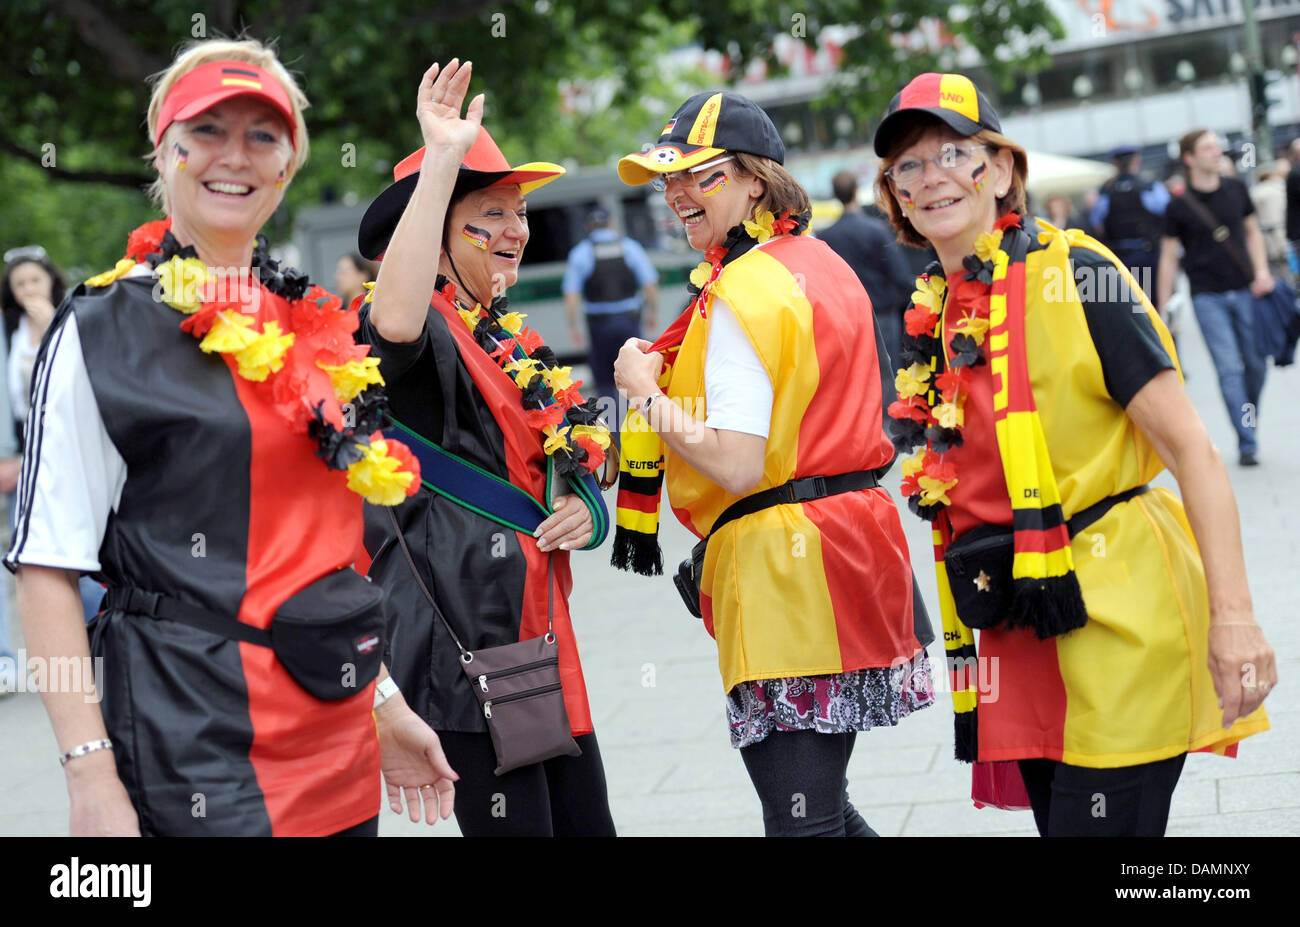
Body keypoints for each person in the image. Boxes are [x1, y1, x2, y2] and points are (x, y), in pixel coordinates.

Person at [5, 37, 459, 836]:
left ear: (288, 164)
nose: (234, 157)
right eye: (207, 130)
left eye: (262, 135)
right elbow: (46, 568)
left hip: (339, 734)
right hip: (196, 748)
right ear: (164, 146)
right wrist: (89, 775)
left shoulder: (308, 322)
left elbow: (317, 549)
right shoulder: (101, 329)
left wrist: (385, 702)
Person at [873, 72, 1275, 837]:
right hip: (1016, 621)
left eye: (955, 154)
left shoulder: (1080, 271)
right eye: (909, 166)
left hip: (1122, 609)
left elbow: (1194, 450)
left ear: (1002, 169)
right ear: (893, 194)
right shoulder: (934, 310)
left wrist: (1235, 621)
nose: (933, 178)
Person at [612, 90, 933, 837]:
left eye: (700, 175)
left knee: (804, 822)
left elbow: (734, 461)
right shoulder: (816, 262)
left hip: (787, 569)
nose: (677, 194)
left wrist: (642, 393)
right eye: (668, 179)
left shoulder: (740, 290)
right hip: (847, 544)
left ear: (756, 180)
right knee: (824, 812)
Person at [354, 59, 617, 837]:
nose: (516, 231)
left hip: (536, 635)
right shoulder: (420, 329)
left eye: (520, 211)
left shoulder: (499, 332)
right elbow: (391, 321)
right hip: (462, 647)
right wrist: (441, 160)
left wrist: (580, 503)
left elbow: (550, 447)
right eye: (492, 213)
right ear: (434, 235)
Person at [1158, 129, 1273, 467]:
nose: (1216, 152)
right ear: (1190, 158)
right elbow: (1168, 256)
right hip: (1207, 296)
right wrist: (1163, 304)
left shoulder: (1237, 190)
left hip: (1245, 288)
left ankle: (1247, 417)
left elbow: (1252, 232)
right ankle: (1247, 438)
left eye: (1216, 146)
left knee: (1255, 364)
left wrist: (1262, 271)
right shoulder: (1177, 206)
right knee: (1228, 370)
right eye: (1207, 147)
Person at [1, 251, 105, 625]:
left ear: (50, 281)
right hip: (26, 457)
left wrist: (51, 327)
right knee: (31, 553)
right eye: (19, 284)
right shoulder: (8, 330)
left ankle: (99, 627)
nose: (28, 289)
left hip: (68, 452)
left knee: (78, 550)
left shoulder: (71, 316)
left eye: (34, 280)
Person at [562, 206, 658, 419]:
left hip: (599, 326)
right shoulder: (630, 248)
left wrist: (573, 327)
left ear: (589, 227)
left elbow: (571, 295)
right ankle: (639, 427)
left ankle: (612, 433)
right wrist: (653, 314)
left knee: (605, 382)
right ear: (611, 224)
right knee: (636, 378)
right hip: (629, 323)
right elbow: (650, 284)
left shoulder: (580, 253)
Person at [818, 170, 914, 366]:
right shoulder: (876, 229)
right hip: (883, 314)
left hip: (848, 319)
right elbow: (899, 274)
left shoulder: (827, 236)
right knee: (890, 372)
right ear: (855, 191)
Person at [1091, 145, 1169, 299]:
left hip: (1120, 256)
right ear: (1137, 160)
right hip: (1147, 254)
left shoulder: (1106, 192)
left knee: (1130, 303)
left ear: (1115, 163)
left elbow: (1097, 223)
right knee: (1151, 302)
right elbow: (1166, 214)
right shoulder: (1150, 187)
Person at [1250, 160, 1292, 284]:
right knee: (1287, 271)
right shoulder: (1279, 189)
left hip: (1265, 238)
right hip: (1280, 234)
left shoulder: (1255, 192)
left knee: (1275, 273)